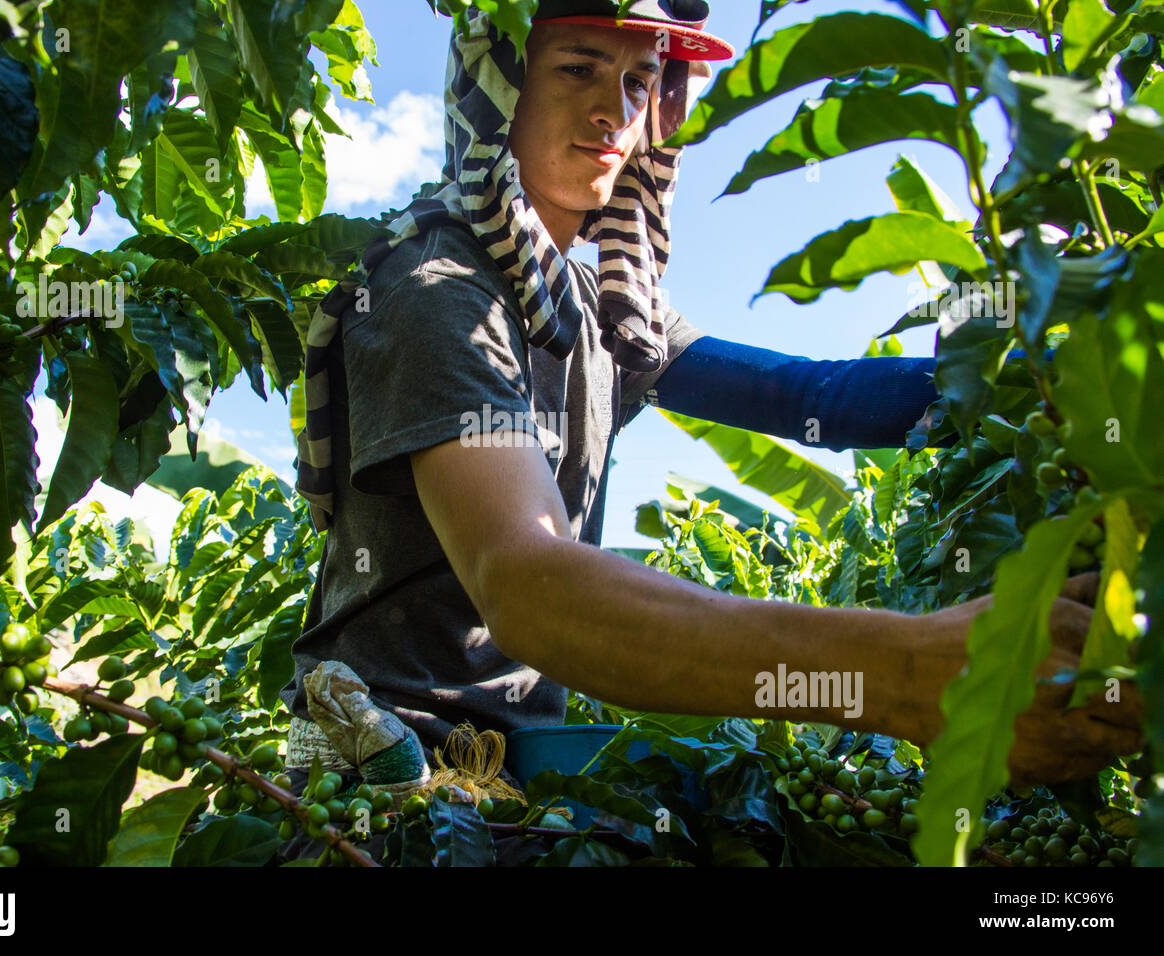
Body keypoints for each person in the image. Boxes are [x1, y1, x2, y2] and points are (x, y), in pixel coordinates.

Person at [278, 0, 1141, 840]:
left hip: (518, 767)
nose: (612, 111)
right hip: (383, 778)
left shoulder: (606, 314)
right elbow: (524, 582)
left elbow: (811, 397)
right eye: (577, 67)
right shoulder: (435, 288)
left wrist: (1049, 381)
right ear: (499, 83)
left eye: (639, 81)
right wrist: (901, 672)